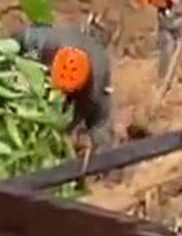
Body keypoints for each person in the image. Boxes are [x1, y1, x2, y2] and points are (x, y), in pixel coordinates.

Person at [17, 20, 115, 150]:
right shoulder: (49, 42)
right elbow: (22, 38)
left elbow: (101, 124)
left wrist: (99, 153)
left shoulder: (95, 89)